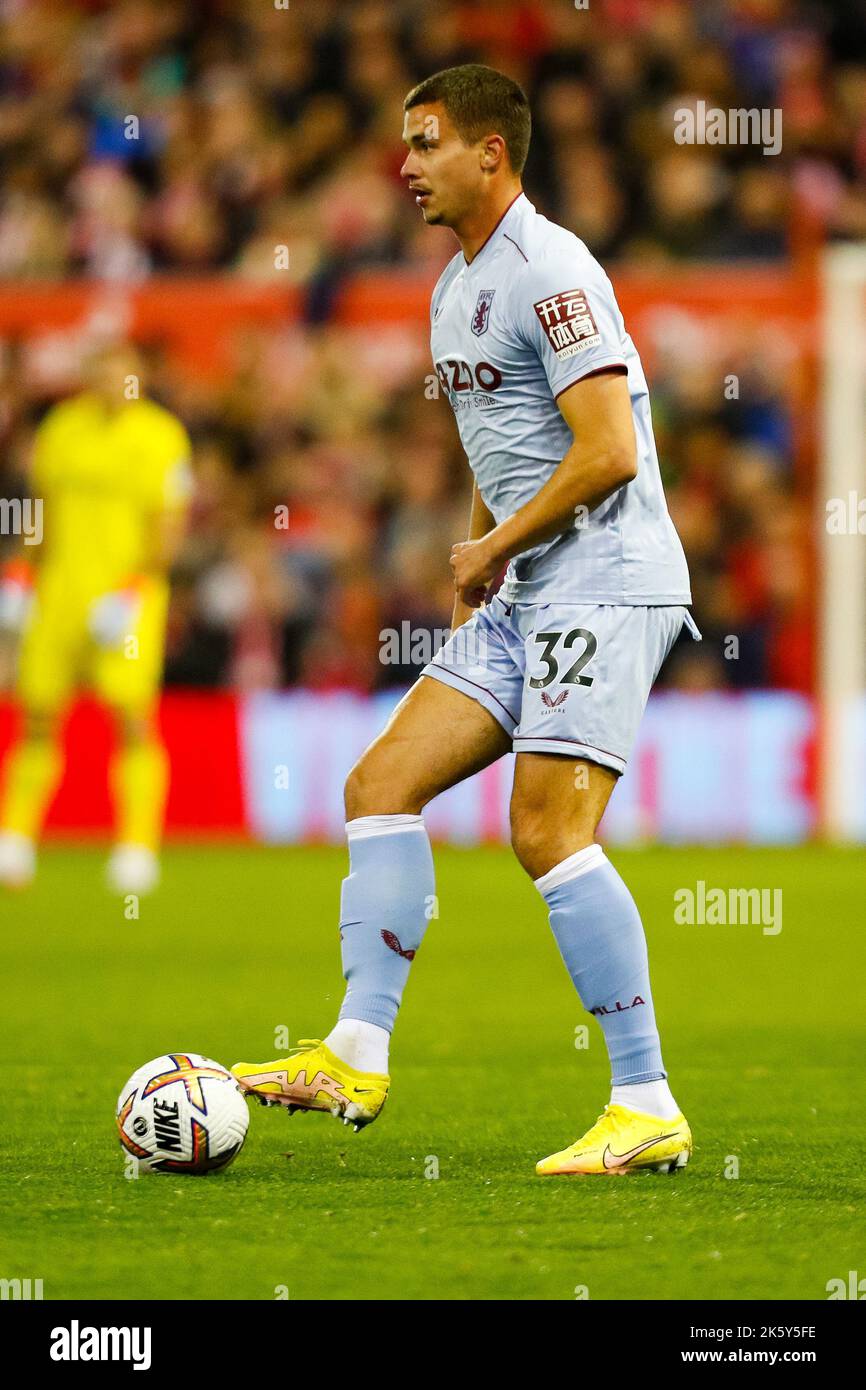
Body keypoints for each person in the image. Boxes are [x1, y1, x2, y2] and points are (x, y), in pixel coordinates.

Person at [232, 65, 701, 1176]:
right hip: (524, 580)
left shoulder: (552, 269)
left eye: (427, 143)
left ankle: (644, 1098)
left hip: (605, 573)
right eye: (403, 144)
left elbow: (608, 451)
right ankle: (355, 1049)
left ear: (491, 153)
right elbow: (511, 439)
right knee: (379, 785)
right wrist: (483, 542)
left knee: (545, 831)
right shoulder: (454, 287)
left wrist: (493, 543)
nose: (405, 165)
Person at [0, 341, 192, 894]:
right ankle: (14, 840)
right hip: (59, 593)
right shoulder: (61, 428)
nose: (111, 385)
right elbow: (40, 511)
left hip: (127, 598)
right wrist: (20, 574)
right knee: (37, 714)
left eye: (121, 376)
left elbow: (168, 527)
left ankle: (136, 846)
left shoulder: (161, 437)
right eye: (101, 375)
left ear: (137, 378)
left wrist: (131, 592)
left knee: (131, 719)